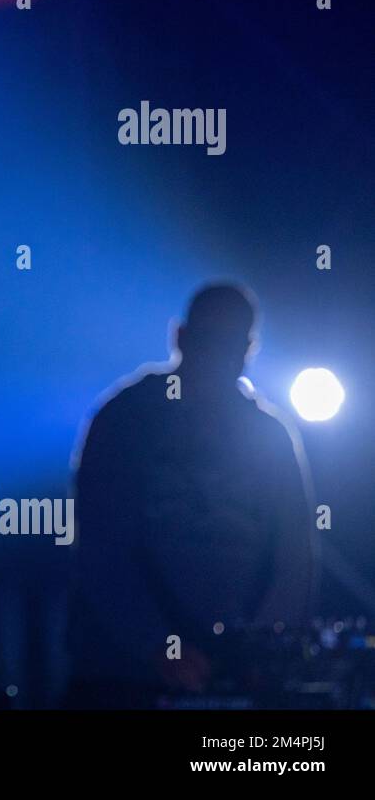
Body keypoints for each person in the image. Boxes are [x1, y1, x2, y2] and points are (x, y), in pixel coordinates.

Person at [65, 283, 317, 707]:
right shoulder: (125, 420)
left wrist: (259, 649)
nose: (217, 357)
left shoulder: (270, 434)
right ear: (180, 337)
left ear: (248, 349)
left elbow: (296, 558)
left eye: (229, 344)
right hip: (125, 683)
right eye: (208, 341)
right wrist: (156, 644)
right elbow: (100, 550)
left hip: (232, 681)